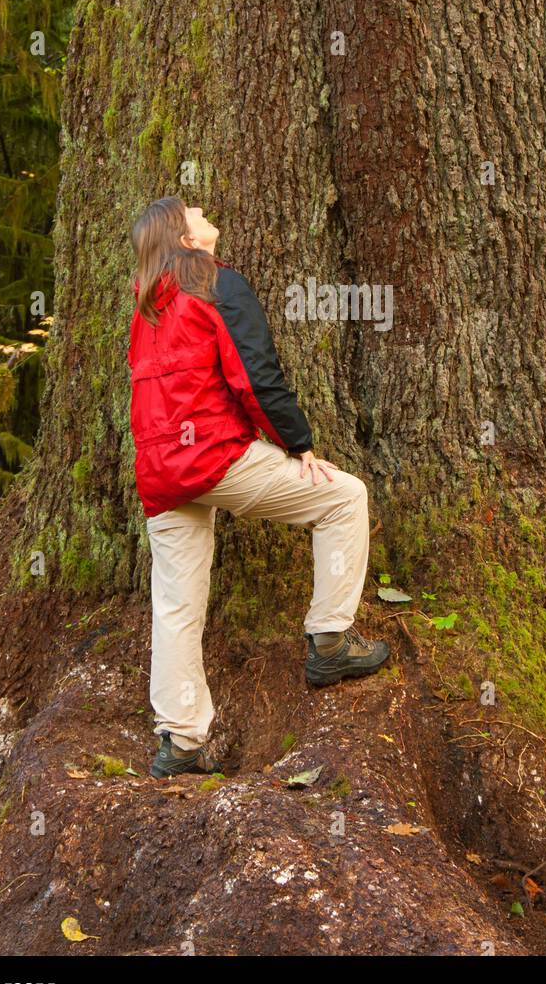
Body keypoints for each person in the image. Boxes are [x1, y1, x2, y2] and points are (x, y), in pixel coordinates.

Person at [128, 196, 390, 778]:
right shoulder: (215, 285)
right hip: (213, 457)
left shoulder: (147, 305)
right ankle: (329, 642)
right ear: (185, 237)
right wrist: (300, 445)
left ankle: (181, 742)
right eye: (189, 210)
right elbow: (256, 375)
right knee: (344, 496)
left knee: (175, 606)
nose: (199, 207)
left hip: (159, 472)